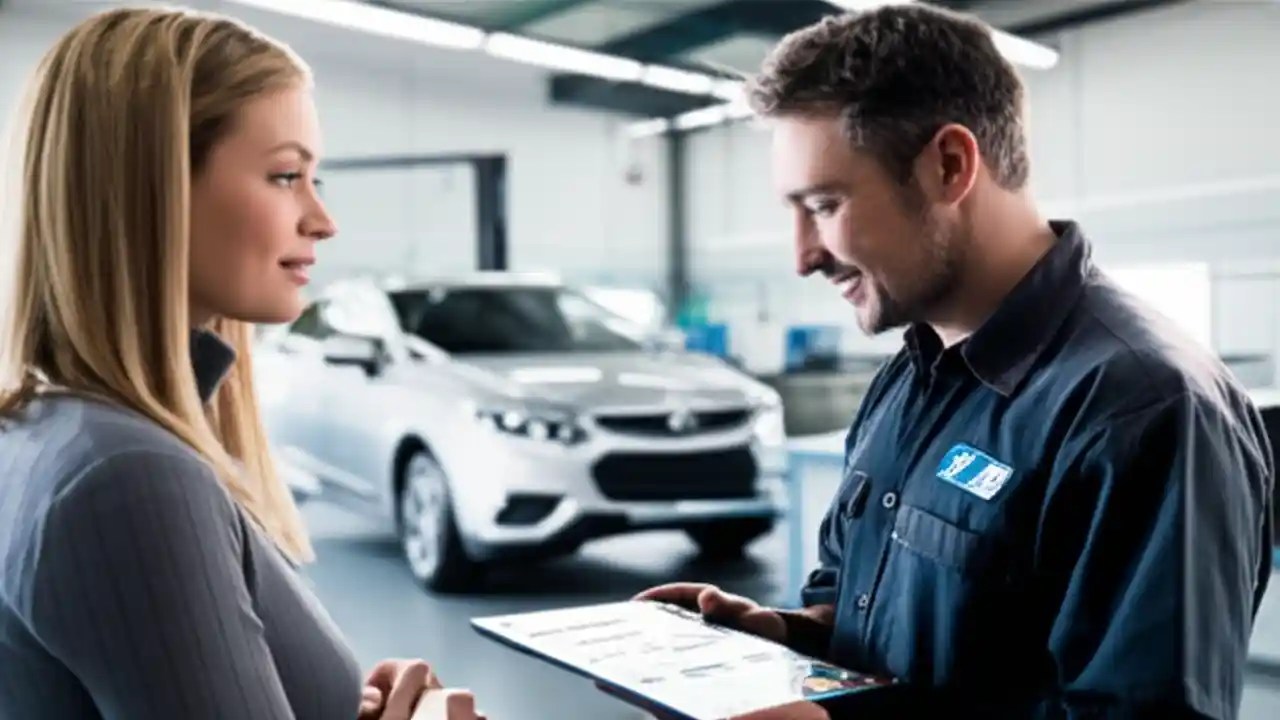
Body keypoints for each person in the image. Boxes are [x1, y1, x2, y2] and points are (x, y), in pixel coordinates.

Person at [639, 5, 1274, 719]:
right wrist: (784, 638)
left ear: (949, 166)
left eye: (824, 205)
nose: (803, 257)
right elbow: (864, 615)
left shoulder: (1141, 408)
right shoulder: (909, 377)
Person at [0, 8, 481, 720]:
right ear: (153, 190)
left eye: (314, 179)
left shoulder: (46, 429)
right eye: (285, 175)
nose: (322, 220)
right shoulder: (132, 479)